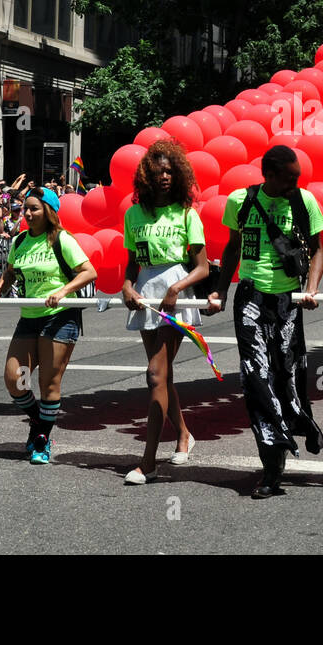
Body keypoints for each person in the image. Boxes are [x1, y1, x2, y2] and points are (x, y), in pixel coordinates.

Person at [208, 145, 323, 499]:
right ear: (269, 175)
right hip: (250, 299)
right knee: (256, 377)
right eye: (290, 177)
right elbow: (232, 247)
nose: (297, 182)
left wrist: (312, 288)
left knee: (287, 375)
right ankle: (272, 464)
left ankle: (300, 423)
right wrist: (220, 292)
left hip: (289, 301)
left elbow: (319, 248)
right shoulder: (240, 201)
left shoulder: (304, 202)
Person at [120, 140, 209, 483]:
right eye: (159, 171)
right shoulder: (133, 214)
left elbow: (201, 267)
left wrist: (176, 288)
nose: (165, 177)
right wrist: (127, 286)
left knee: (155, 375)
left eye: (171, 171)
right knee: (163, 376)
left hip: (175, 292)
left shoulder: (187, 213)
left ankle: (148, 461)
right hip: (144, 292)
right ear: (147, 175)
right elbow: (131, 264)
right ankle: (184, 434)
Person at [0, 188, 96, 464]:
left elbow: (89, 271)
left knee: (49, 383)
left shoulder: (62, 239)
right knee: (15, 379)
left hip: (60, 317)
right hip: (29, 317)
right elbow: (10, 272)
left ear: (48, 210)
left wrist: (62, 291)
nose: (28, 214)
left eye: (34, 208)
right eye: (26, 209)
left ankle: (42, 441)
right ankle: (38, 421)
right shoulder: (20, 240)